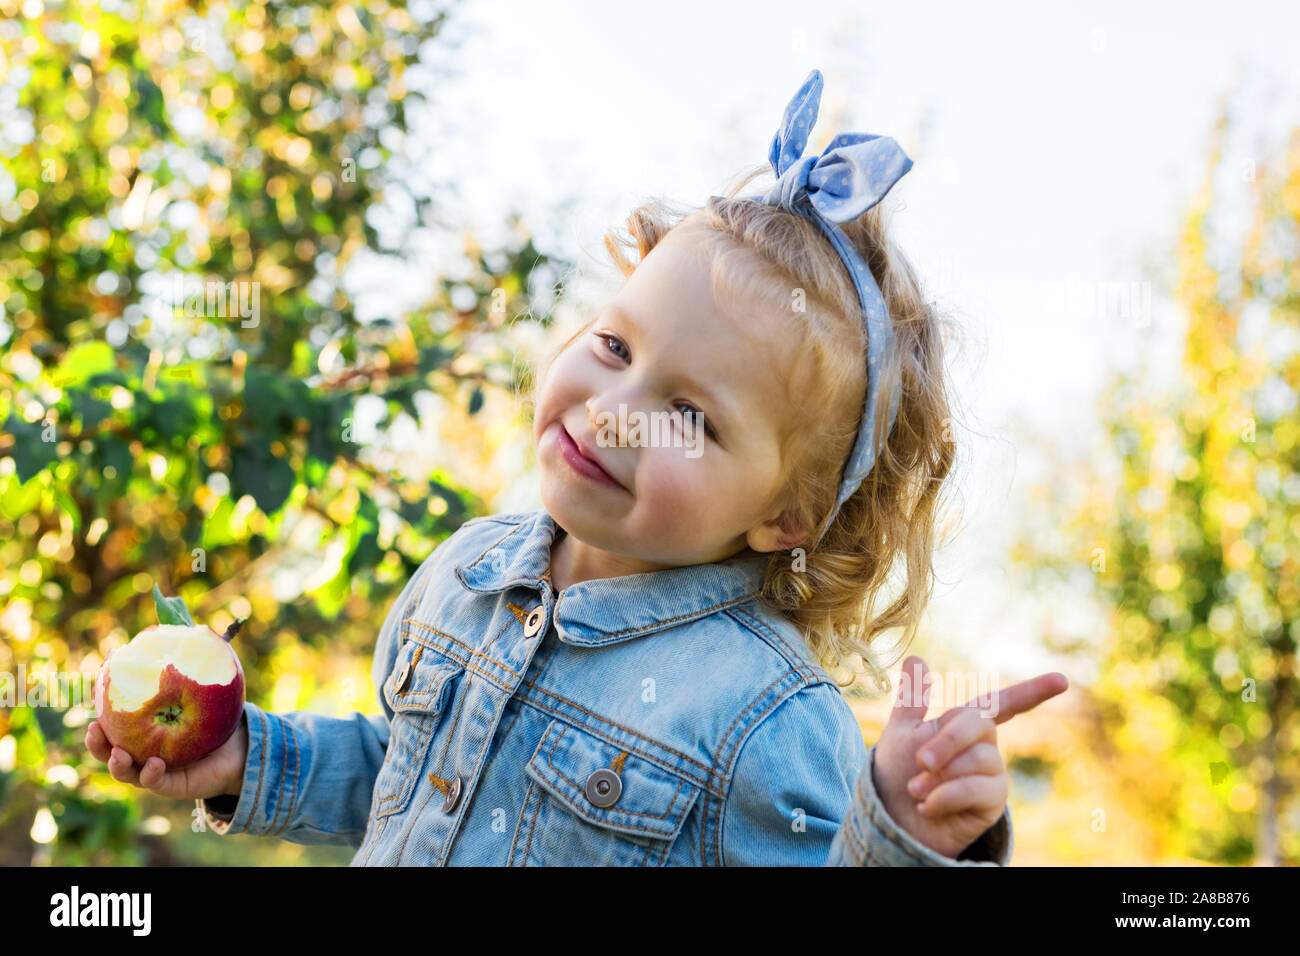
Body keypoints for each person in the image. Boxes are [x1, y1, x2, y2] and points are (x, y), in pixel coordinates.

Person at [86, 69, 1067, 865]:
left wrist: (897, 831)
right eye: (612, 346)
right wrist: (244, 757)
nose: (613, 410)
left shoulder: (764, 720)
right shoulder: (470, 573)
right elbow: (405, 775)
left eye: (688, 412)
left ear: (789, 514)